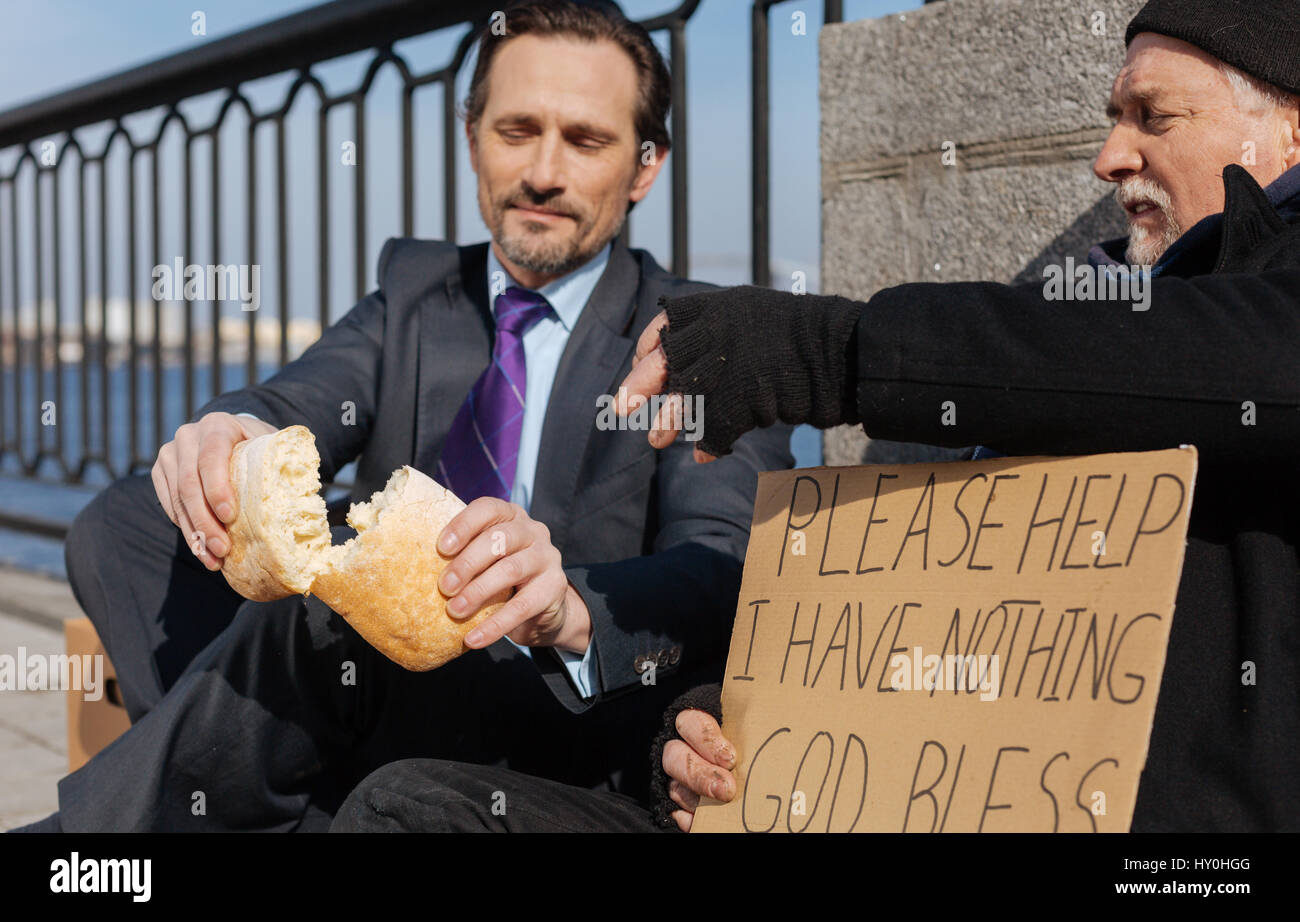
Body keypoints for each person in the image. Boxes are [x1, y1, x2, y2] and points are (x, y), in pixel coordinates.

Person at [330, 0, 1300, 833]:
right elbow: (917, 619)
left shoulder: (1225, 322)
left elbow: (1211, 350)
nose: (1107, 155)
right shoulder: (1090, 307)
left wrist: (818, 353)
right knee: (410, 806)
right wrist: (731, 722)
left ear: (1289, 132)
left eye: (1151, 117)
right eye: (1109, 115)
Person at [17, 0, 792, 832]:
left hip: (560, 708)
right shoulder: (416, 293)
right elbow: (289, 405)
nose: (543, 171)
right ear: (472, 141)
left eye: (586, 140)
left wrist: (568, 604)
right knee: (126, 522)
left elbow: (724, 566)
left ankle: (97, 842)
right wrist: (227, 436)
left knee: (321, 610)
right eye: (517, 130)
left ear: (644, 168)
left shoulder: (693, 334)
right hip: (381, 687)